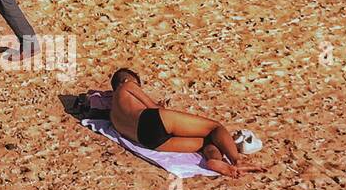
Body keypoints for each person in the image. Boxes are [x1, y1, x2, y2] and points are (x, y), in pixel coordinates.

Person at [109, 69, 263, 179]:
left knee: (207, 142)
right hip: (150, 119)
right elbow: (153, 107)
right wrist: (160, 105)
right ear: (125, 80)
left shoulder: (113, 115)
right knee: (214, 128)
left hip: (146, 140)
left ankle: (217, 160)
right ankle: (237, 160)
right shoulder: (127, 85)